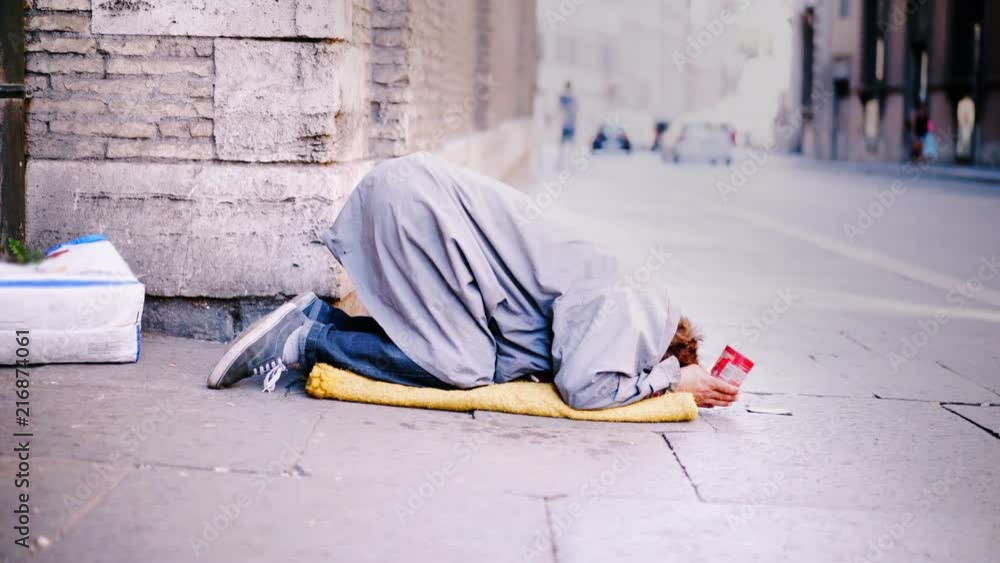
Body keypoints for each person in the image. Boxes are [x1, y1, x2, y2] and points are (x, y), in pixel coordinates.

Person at [207, 153, 739, 410]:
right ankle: (304, 341)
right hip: (421, 211)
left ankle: (321, 320)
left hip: (421, 202)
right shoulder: (628, 304)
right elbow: (585, 388)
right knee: (464, 366)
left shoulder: (631, 291)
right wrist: (670, 381)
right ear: (659, 349)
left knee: (460, 352)